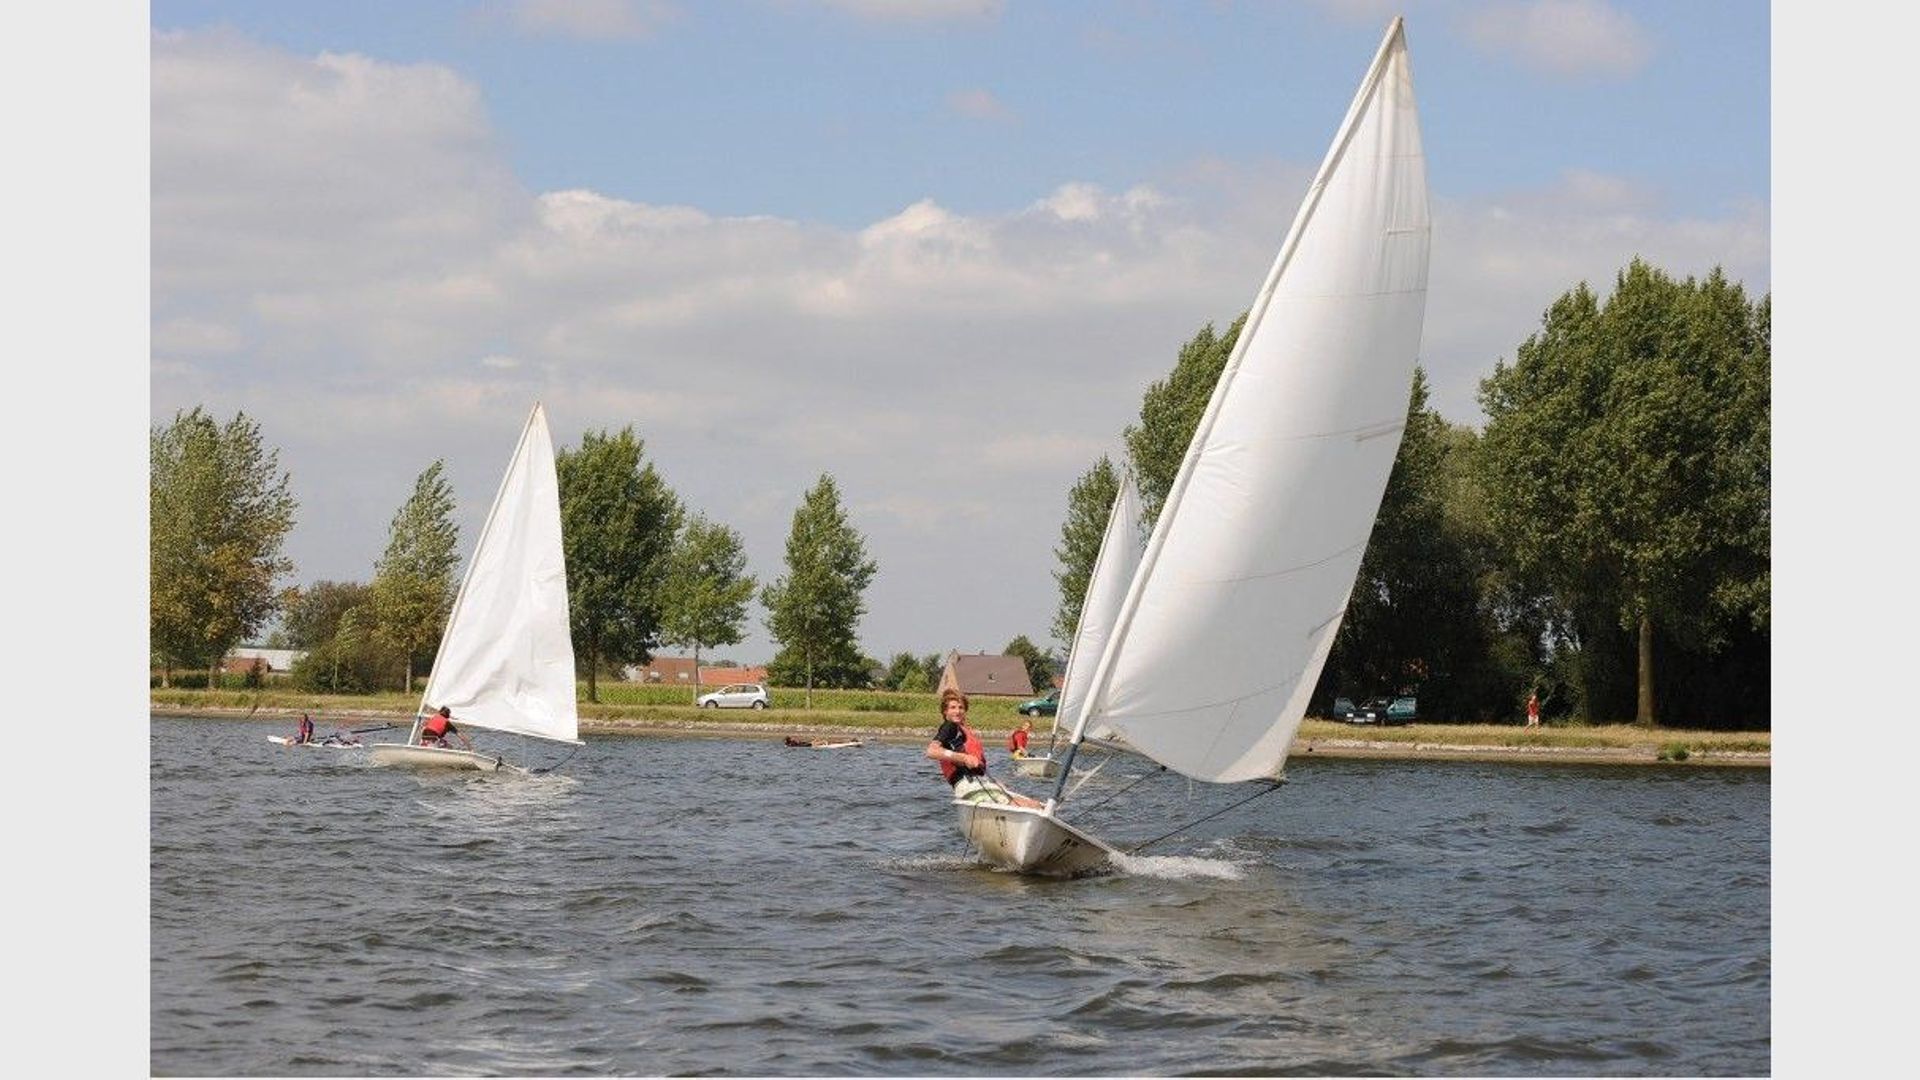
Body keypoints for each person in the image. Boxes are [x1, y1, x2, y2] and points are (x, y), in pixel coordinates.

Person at [925, 689, 1044, 808]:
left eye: (961, 707)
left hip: (980, 782)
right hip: (968, 785)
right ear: (945, 711)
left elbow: (978, 767)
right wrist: (964, 757)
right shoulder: (949, 727)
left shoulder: (961, 730)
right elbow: (932, 751)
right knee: (1032, 807)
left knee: (1036, 805)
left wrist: (994, 782)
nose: (957, 711)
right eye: (953, 707)